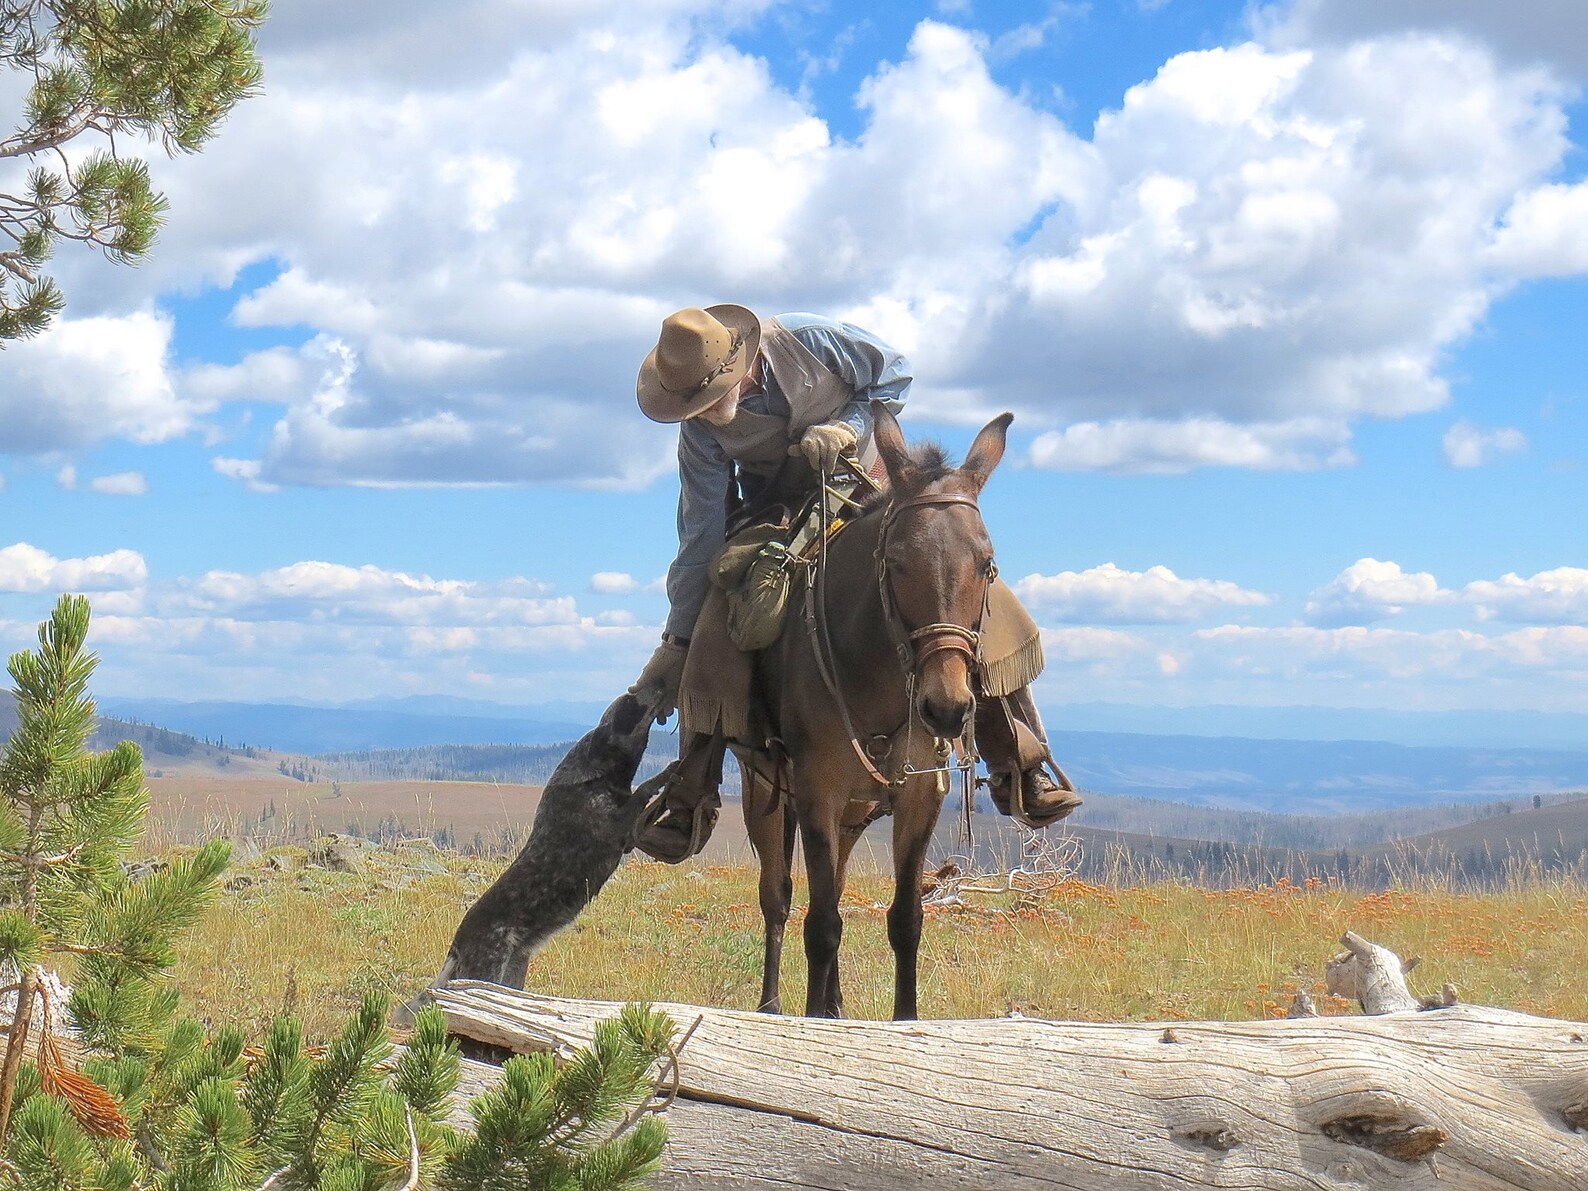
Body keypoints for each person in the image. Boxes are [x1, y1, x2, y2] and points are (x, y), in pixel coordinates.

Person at [628, 305, 1081, 862]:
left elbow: (895, 373)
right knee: (725, 601)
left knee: (959, 575)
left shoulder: (806, 339)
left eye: (708, 395)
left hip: (876, 484)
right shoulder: (698, 434)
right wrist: (676, 642)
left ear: (736, 365)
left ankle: (1020, 758)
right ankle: (692, 783)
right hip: (779, 509)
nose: (703, 412)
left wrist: (846, 427)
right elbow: (699, 533)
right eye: (692, 404)